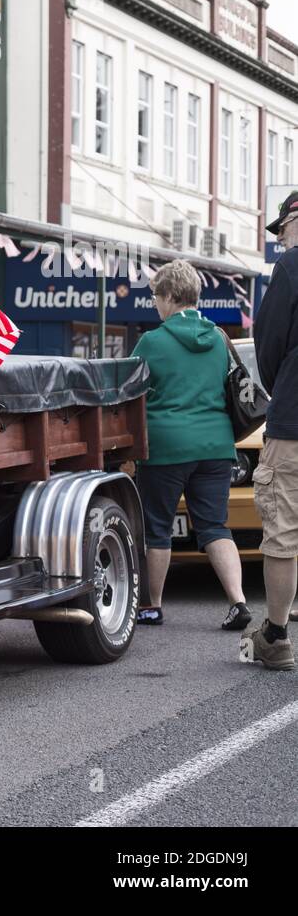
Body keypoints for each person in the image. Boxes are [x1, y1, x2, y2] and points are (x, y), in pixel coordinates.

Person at [130, 259, 249, 630]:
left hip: (166, 446)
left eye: (155, 297)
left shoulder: (152, 342)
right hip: (215, 445)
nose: (155, 304)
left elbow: (133, 394)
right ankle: (239, 602)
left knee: (158, 528)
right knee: (215, 526)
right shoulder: (219, 338)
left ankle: (152, 606)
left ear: (169, 296)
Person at [244, 191, 298, 670]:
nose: (279, 241)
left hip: (295, 424)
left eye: (280, 231)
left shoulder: (290, 269)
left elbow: (269, 345)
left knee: (284, 532)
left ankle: (277, 636)